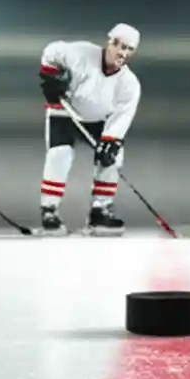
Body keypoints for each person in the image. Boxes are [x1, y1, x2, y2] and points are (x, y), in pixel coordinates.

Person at [37, 23, 142, 236]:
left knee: (112, 157)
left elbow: (122, 116)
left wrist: (111, 140)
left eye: (129, 49)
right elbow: (50, 51)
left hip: (98, 121)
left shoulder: (129, 84)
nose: (122, 53)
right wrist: (50, 75)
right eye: (119, 45)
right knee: (59, 155)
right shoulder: (80, 53)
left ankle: (100, 211)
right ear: (110, 42)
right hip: (65, 112)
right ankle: (49, 210)